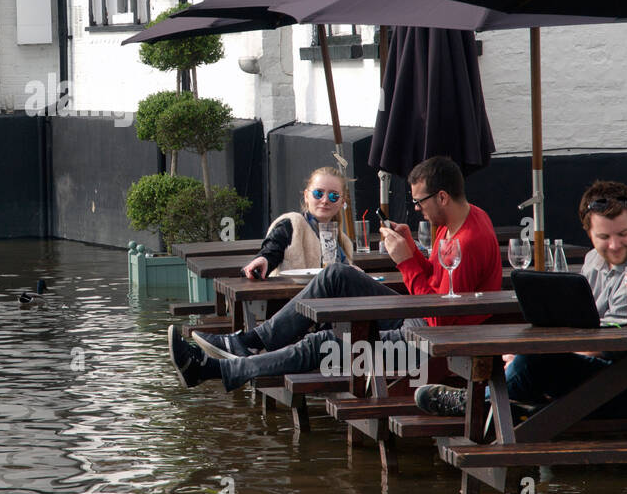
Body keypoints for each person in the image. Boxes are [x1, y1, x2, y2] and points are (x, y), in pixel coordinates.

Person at [170, 156, 502, 391]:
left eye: (420, 202)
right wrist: (413, 249)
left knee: (323, 343)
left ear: (442, 196)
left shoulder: (468, 241)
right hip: (422, 321)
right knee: (337, 276)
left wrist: (403, 261)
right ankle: (248, 340)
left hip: (433, 343)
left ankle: (214, 370)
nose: (416, 208)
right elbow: (437, 285)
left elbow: (439, 318)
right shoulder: (460, 220)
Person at [415, 180, 627, 419]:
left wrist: (533, 353)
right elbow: (581, 324)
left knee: (534, 363)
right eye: (604, 236)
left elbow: (604, 344)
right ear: (588, 233)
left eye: (623, 234)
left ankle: (476, 404)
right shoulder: (593, 259)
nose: (614, 245)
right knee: (530, 359)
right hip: (607, 377)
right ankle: (512, 408)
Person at [240, 165, 355, 281]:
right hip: (293, 297)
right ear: (306, 196)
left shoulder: (344, 242)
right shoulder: (292, 224)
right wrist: (263, 259)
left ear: (342, 202)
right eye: (318, 193)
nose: (325, 200)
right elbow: (272, 249)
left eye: (333, 196)